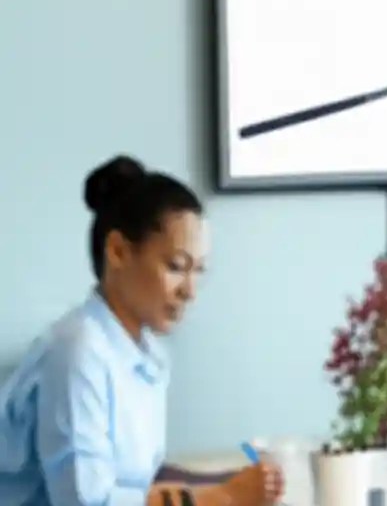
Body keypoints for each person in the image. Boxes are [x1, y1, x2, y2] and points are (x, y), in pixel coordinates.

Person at [0, 156, 284, 506]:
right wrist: (221, 497)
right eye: (177, 266)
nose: (190, 290)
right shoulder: (77, 352)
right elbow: (85, 502)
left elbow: (138, 482)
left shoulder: (145, 354)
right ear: (118, 251)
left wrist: (230, 481)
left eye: (199, 271)